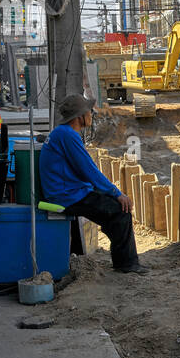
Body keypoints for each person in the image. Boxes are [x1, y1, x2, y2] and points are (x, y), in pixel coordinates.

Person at [40, 95, 149, 275]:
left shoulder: (62, 133)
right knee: (120, 211)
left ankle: (121, 253)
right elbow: (90, 171)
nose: (92, 113)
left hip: (68, 191)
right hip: (67, 196)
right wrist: (116, 193)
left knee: (111, 208)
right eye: (88, 111)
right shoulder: (67, 135)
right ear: (78, 117)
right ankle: (127, 265)